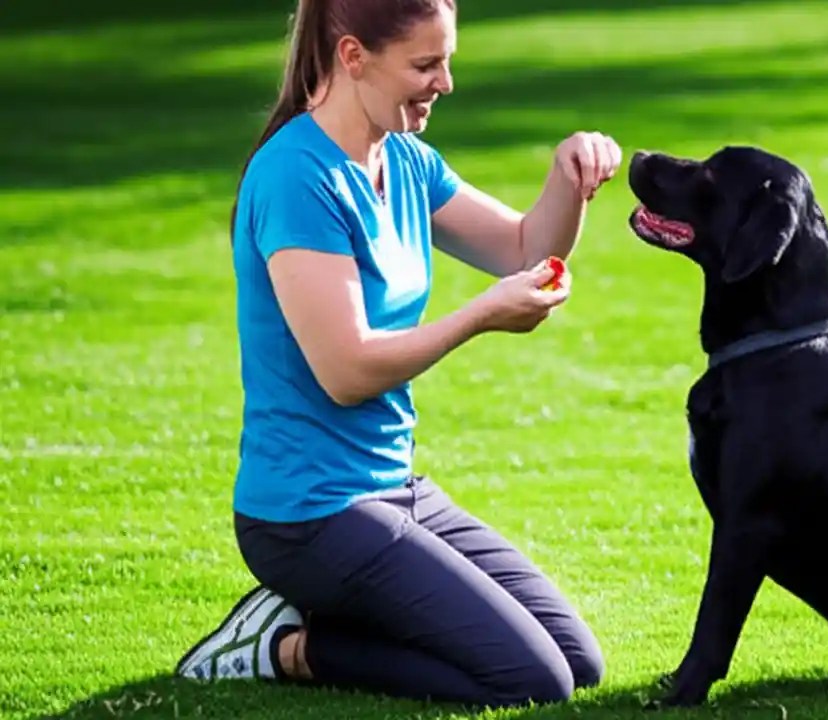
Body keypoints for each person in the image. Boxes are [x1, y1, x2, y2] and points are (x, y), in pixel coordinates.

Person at [173, 0, 620, 707]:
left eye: (445, 61)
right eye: (424, 64)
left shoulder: (407, 162)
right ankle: (284, 647)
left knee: (578, 662)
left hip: (396, 489)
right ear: (353, 57)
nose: (444, 83)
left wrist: (570, 177)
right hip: (308, 514)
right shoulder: (297, 177)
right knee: (531, 680)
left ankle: (337, 616)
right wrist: (477, 317)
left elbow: (526, 248)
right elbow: (346, 372)